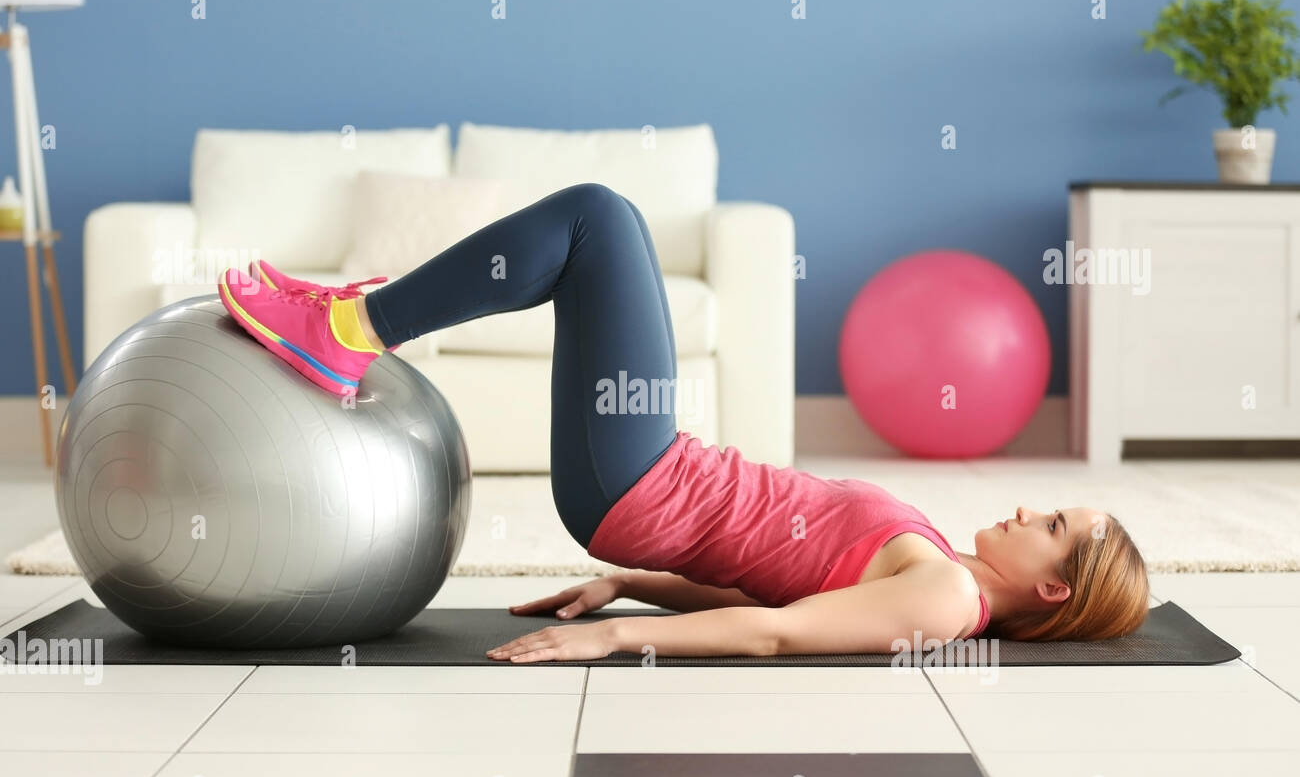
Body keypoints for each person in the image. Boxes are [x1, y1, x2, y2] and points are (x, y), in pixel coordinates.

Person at [217, 183, 1149, 663]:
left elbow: (775, 641)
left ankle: (348, 329)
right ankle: (352, 315)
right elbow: (774, 605)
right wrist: (627, 585)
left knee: (596, 219)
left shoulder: (948, 602)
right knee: (595, 230)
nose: (1031, 511)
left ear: (1057, 592)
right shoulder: (941, 568)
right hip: (643, 483)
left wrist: (615, 639)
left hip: (641, 477)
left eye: (1053, 528)